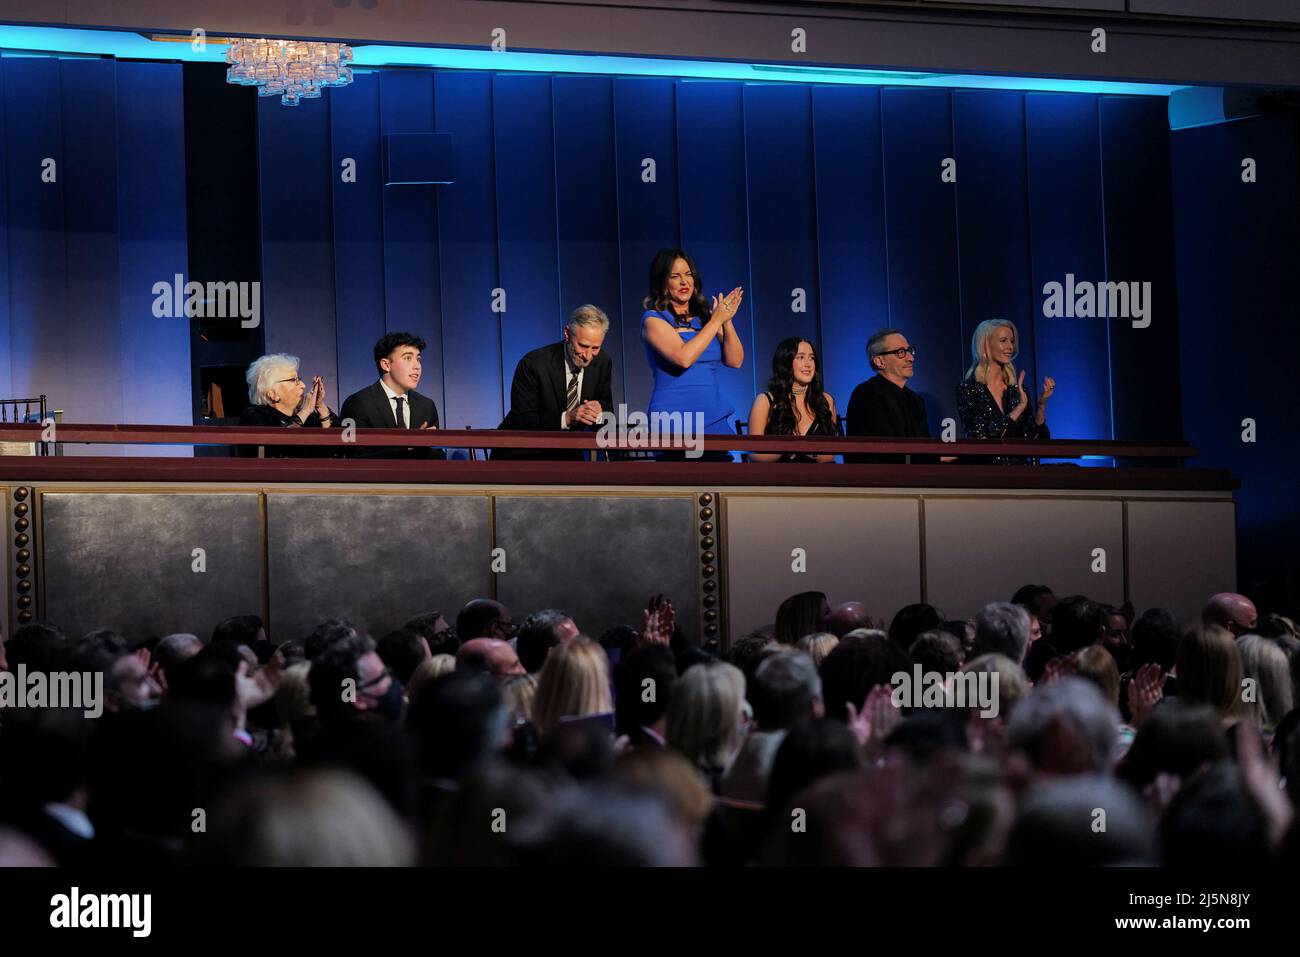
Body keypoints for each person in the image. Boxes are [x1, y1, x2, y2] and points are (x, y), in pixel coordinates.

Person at [640, 248, 744, 461]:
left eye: (688, 275)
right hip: (675, 420)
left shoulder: (706, 319)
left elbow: (735, 361)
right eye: (675, 276)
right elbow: (683, 358)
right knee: (681, 487)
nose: (684, 282)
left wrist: (726, 321)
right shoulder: (653, 320)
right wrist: (716, 321)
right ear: (662, 282)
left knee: (720, 485)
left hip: (712, 416)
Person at [493, 305, 615, 461]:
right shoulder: (533, 364)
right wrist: (568, 418)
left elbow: (608, 416)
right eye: (583, 346)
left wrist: (598, 414)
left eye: (595, 348)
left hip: (567, 454)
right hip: (523, 454)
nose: (588, 355)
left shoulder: (602, 362)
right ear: (567, 334)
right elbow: (523, 420)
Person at [956, 319, 1055, 465]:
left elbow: (1038, 442)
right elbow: (982, 440)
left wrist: (1041, 405)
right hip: (989, 475)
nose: (1010, 346)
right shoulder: (968, 390)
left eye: (1012, 341)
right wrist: (1018, 409)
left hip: (1023, 474)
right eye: (1003, 340)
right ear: (985, 345)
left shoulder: (1018, 390)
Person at [339, 332, 445, 460]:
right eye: (407, 358)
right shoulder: (357, 403)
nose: (417, 366)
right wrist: (406, 445)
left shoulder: (427, 406)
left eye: (418, 359)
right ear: (386, 364)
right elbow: (350, 451)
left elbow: (437, 455)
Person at [845, 329, 931, 464]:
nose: (911, 358)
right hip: (880, 479)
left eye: (910, 351)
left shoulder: (916, 400)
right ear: (879, 361)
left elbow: (924, 448)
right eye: (901, 353)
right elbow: (890, 450)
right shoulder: (867, 394)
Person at [745, 337, 837, 463]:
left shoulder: (826, 400)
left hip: (819, 479)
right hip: (779, 478)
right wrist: (785, 451)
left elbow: (832, 454)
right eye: (800, 357)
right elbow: (753, 454)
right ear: (786, 363)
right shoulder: (765, 401)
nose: (808, 364)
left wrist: (812, 454)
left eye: (811, 358)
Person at [238, 353, 337, 457]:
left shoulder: (308, 418)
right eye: (294, 380)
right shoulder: (254, 416)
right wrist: (305, 411)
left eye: (299, 379)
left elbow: (337, 448)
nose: (303, 385)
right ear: (273, 394)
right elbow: (278, 449)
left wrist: (320, 407)